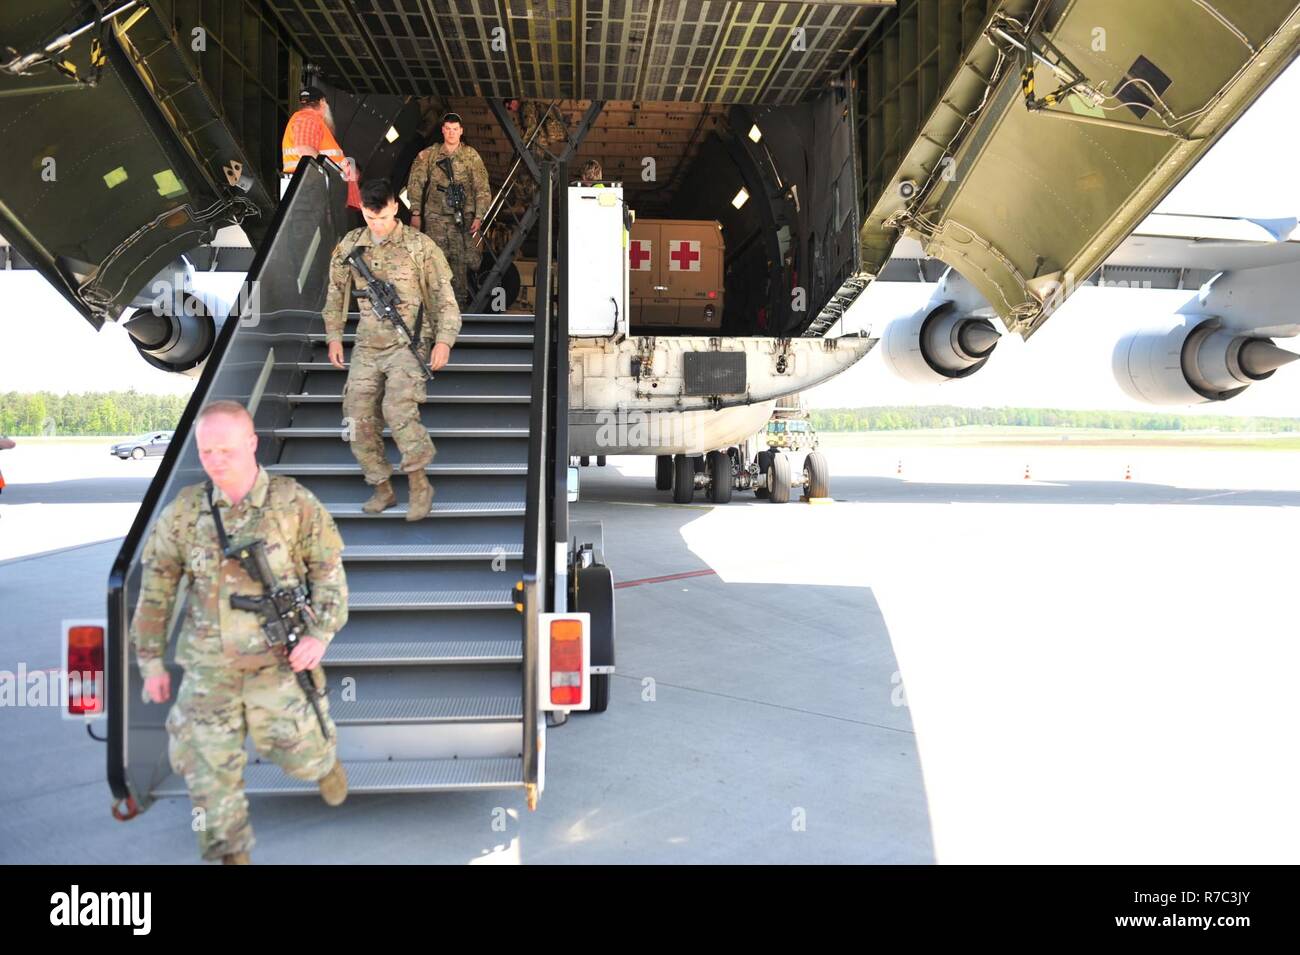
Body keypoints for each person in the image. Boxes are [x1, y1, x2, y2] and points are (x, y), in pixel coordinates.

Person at [130, 400, 349, 865]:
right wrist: (150, 661)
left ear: (252, 443)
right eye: (207, 451)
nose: (216, 460)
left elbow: (328, 572)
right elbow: (157, 589)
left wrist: (320, 634)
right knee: (206, 775)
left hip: (279, 662)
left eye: (226, 449)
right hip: (210, 669)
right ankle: (228, 854)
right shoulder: (185, 512)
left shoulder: (292, 502)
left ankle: (325, 765)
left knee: (301, 756)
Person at [324, 178, 461, 520]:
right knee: (356, 416)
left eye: (382, 218)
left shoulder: (420, 246)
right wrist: (334, 336)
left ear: (395, 207)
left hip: (408, 343)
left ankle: (418, 485)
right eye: (370, 219)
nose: (377, 226)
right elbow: (335, 293)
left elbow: (445, 298)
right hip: (368, 345)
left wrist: (444, 340)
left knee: (398, 409)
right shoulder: (350, 246)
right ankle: (382, 488)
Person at [405, 112, 491, 305]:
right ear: (443, 130)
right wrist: (416, 212)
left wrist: (479, 216)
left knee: (461, 264)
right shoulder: (429, 155)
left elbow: (482, 187)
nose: (451, 133)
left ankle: (458, 309)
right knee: (435, 263)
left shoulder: (471, 156)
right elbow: (416, 182)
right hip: (436, 217)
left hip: (462, 220)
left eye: (455, 129)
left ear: (461, 131)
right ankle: (435, 307)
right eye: (448, 129)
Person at [282, 86, 362, 219]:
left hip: (312, 188)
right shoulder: (309, 118)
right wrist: (332, 174)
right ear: (323, 102)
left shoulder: (307, 119)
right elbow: (304, 148)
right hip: (313, 189)